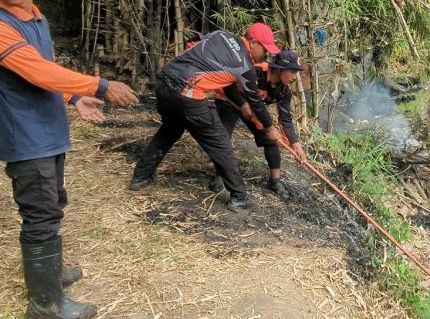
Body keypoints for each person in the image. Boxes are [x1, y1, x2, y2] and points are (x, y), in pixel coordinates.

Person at [0, 0, 139, 319]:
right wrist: (96, 86)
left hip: (48, 131)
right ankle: (45, 304)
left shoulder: (36, 19)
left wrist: (73, 98)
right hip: (26, 137)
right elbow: (35, 70)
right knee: (40, 214)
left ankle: (50, 275)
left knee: (52, 204)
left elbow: (44, 70)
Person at [129, 23, 282, 212]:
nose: (265, 55)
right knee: (220, 143)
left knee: (170, 129)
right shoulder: (245, 65)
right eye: (264, 50)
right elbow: (257, 103)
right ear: (253, 42)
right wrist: (269, 128)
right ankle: (240, 197)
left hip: (164, 83)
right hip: (188, 93)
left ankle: (141, 177)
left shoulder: (221, 34)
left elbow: (220, 74)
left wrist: (242, 105)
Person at [210, 50, 306, 200]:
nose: (295, 77)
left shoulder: (284, 91)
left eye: (297, 73)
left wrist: (296, 144)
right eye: (292, 72)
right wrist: (243, 104)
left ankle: (275, 180)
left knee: (271, 139)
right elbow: (229, 85)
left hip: (255, 110)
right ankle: (221, 174)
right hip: (229, 101)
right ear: (280, 68)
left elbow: (285, 119)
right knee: (223, 138)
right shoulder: (256, 71)